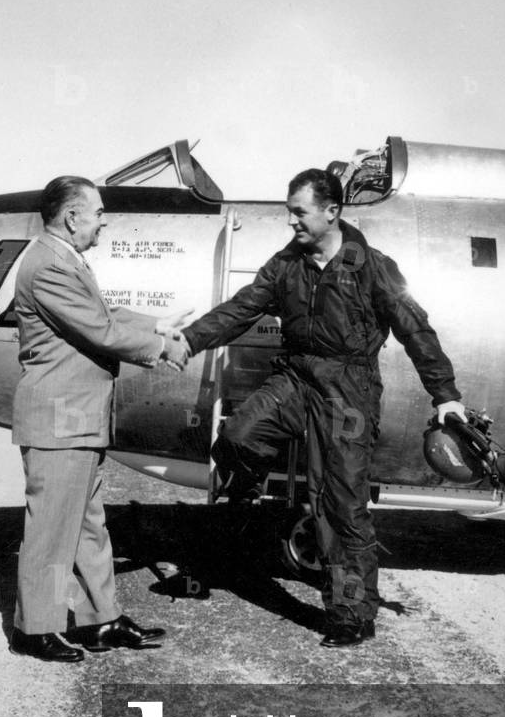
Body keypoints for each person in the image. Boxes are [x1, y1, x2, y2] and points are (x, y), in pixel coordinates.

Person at [179, 167, 465, 648]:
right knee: (237, 436)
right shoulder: (286, 264)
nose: (291, 221)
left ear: (332, 212)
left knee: (341, 504)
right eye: (289, 212)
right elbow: (241, 309)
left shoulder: (373, 266)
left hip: (348, 388)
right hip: (295, 377)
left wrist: (446, 394)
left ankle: (351, 614)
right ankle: (244, 505)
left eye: (299, 212)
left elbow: (416, 329)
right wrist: (188, 340)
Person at [9, 175, 189, 663]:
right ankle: (35, 628)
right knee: (50, 530)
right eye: (98, 213)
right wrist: (161, 348)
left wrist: (155, 323)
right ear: (72, 217)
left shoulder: (64, 259)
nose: (103, 222)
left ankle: (100, 621)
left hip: (77, 418)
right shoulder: (48, 265)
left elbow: (103, 312)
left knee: (88, 526)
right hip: (59, 418)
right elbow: (101, 330)